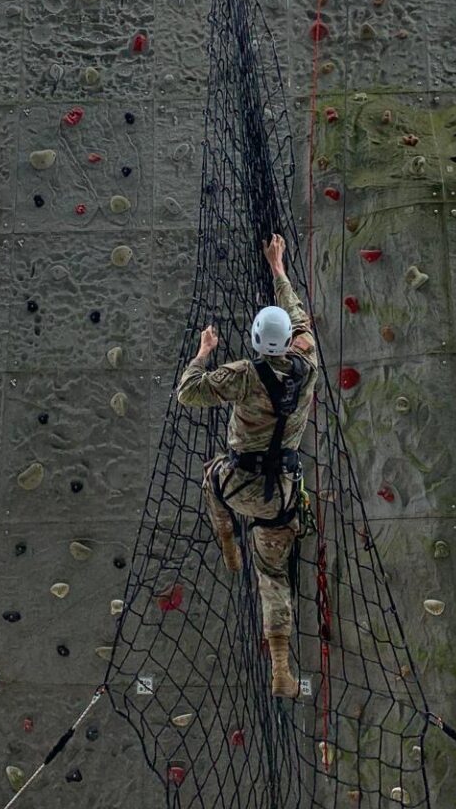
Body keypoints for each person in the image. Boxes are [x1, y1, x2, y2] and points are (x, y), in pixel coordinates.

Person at [177, 234, 319, 699]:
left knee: (210, 476)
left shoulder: (242, 375)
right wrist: (278, 269)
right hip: (280, 497)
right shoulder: (308, 364)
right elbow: (299, 315)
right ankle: (281, 667)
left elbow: (189, 392)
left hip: (237, 484)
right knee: (273, 575)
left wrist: (203, 351)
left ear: (258, 342)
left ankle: (226, 542)